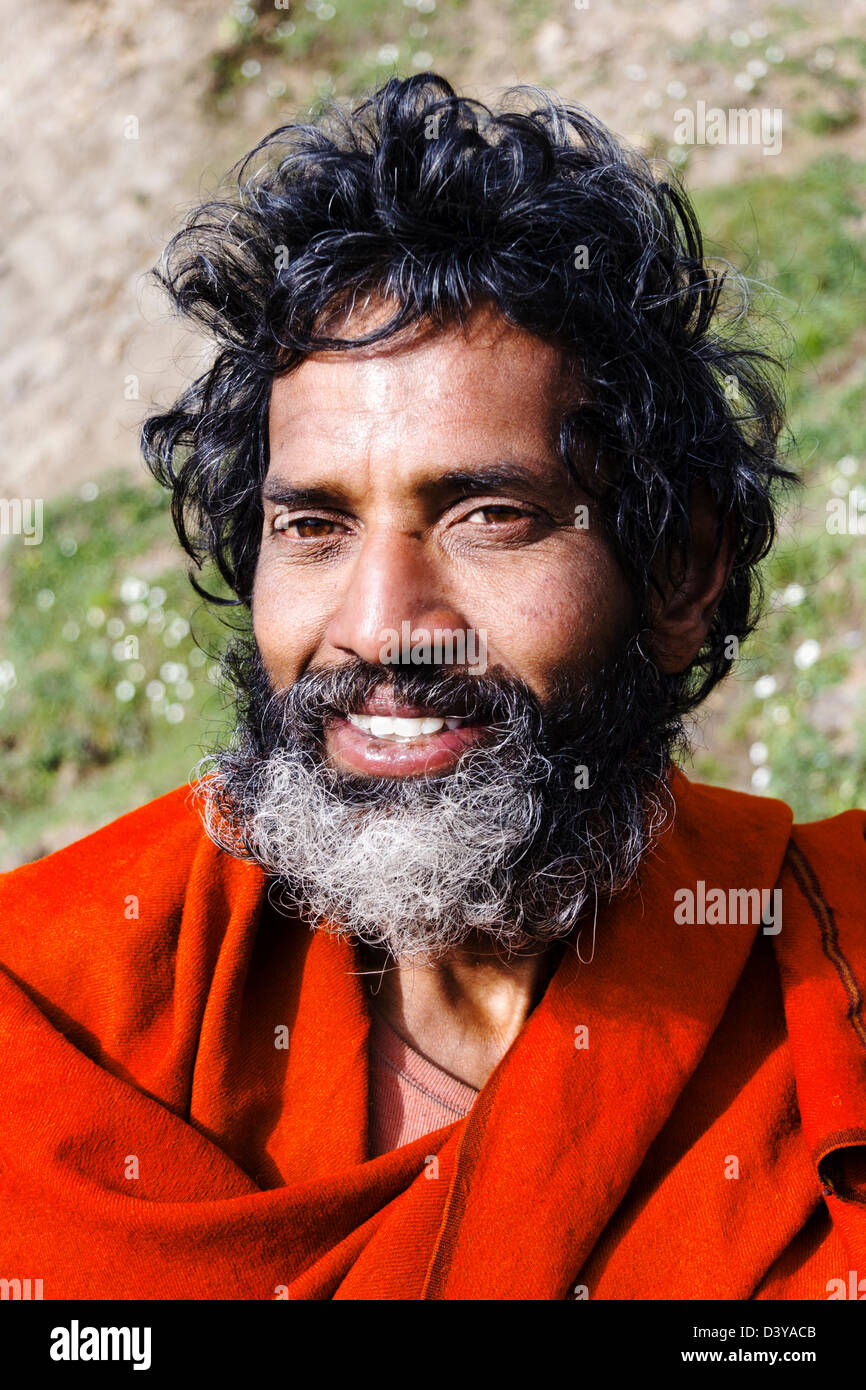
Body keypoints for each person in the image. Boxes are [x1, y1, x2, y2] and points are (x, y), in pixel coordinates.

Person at [1, 73, 864, 1301]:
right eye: (312, 525)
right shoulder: (67, 1008)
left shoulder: (829, 976)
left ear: (677, 572)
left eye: (488, 516)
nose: (375, 627)